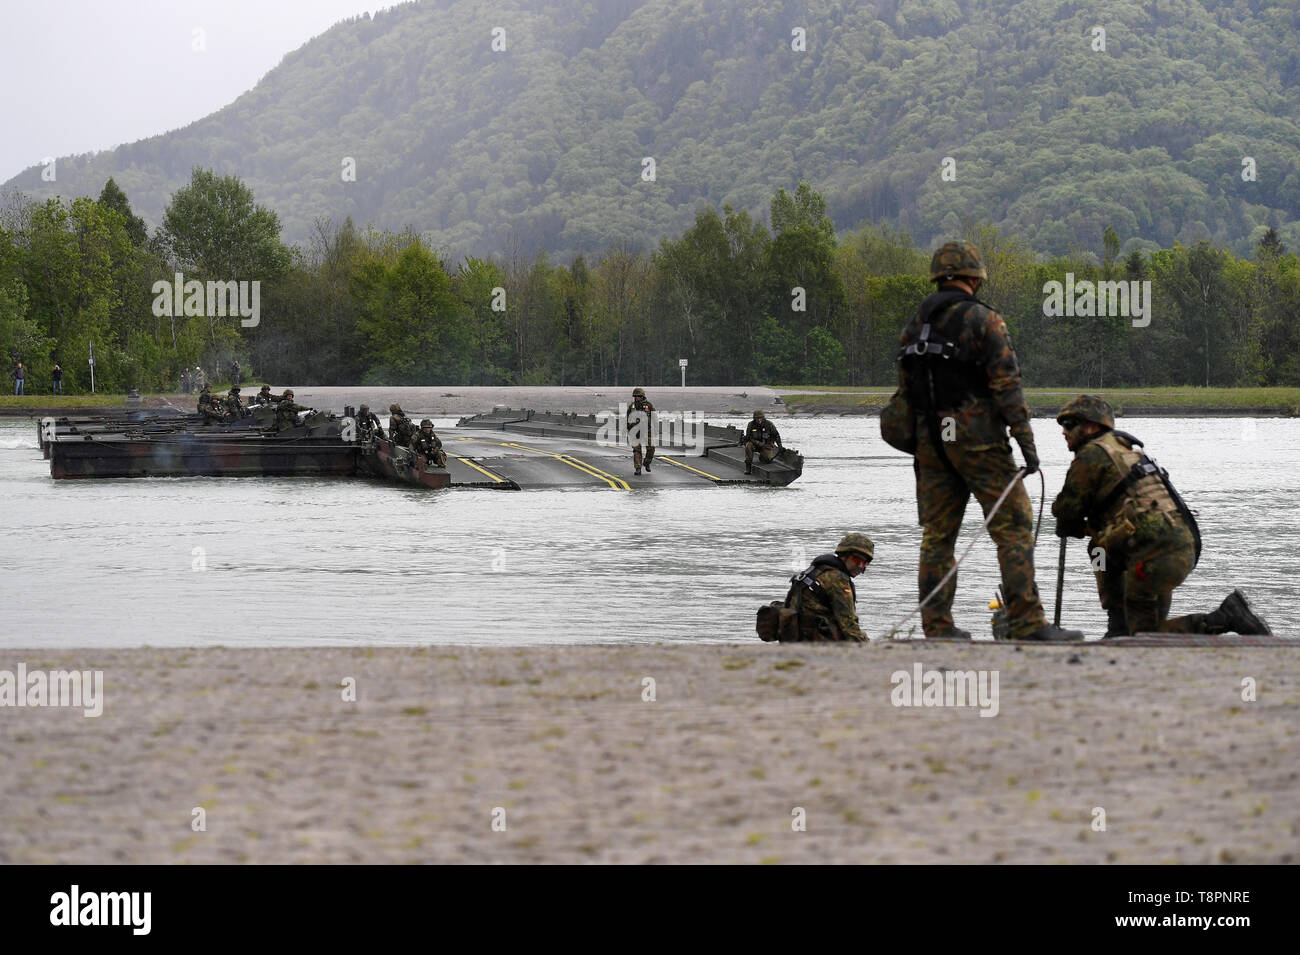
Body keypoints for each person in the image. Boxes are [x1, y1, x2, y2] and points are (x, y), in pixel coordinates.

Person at [897, 241, 1081, 642]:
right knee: (1013, 528)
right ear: (975, 278)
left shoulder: (915, 326)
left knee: (937, 538)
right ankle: (1028, 624)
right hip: (979, 440)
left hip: (931, 442)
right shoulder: (984, 320)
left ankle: (937, 628)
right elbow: (1007, 387)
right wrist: (1028, 447)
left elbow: (906, 392)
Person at [1051, 395, 1271, 636]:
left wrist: (1069, 523)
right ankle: (1117, 625)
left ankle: (1223, 618)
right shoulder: (1126, 452)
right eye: (1062, 426)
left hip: (1154, 557)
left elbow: (1067, 510)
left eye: (1071, 425)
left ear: (1092, 426)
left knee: (1142, 637)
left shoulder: (1092, 454)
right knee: (1102, 555)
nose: (1064, 432)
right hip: (1178, 547)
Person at [784, 534, 874, 642]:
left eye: (864, 562)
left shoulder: (817, 570)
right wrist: (869, 646)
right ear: (843, 556)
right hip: (815, 641)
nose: (860, 566)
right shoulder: (837, 579)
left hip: (795, 636)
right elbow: (849, 626)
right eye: (856, 560)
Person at [743, 410, 783, 474]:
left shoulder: (769, 424)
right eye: (757, 418)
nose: (759, 420)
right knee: (748, 446)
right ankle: (748, 467)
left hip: (766, 445)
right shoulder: (751, 424)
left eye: (760, 418)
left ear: (763, 418)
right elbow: (748, 437)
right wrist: (757, 443)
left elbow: (776, 435)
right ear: (754, 418)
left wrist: (780, 446)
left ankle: (762, 456)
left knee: (767, 460)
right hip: (754, 444)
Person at [627, 387, 655, 474]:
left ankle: (646, 462)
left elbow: (654, 417)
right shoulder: (632, 406)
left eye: (638, 396)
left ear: (642, 396)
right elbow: (627, 418)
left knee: (651, 448)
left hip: (647, 430)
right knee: (637, 450)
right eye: (635, 396)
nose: (636, 398)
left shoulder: (649, 405)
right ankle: (638, 468)